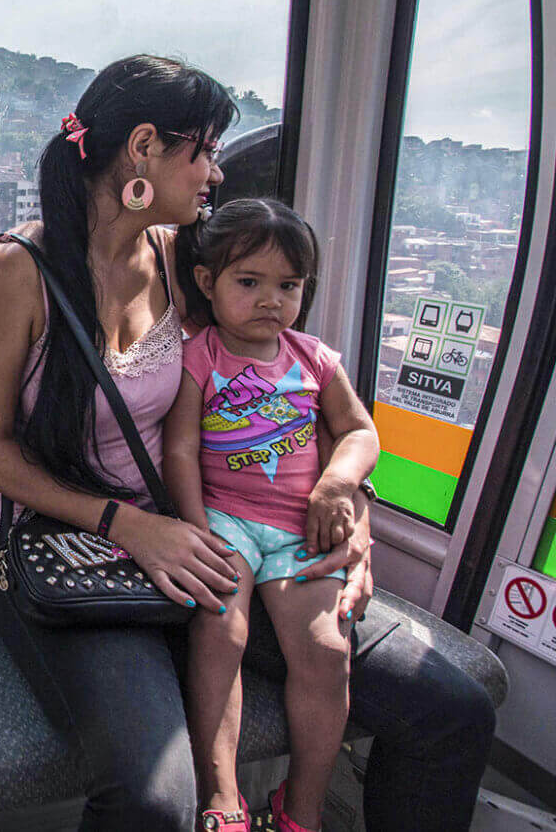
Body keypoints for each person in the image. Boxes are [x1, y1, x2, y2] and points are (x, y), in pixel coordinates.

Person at [0, 54, 496, 832]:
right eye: (202, 151)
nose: (213, 175)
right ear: (144, 147)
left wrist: (349, 502)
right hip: (74, 546)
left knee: (452, 709)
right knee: (152, 803)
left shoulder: (184, 259)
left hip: (219, 534)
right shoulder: (17, 269)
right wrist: (130, 524)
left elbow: (270, 394)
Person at [162, 199, 378, 832]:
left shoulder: (313, 359)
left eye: (288, 286)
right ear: (208, 283)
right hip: (225, 518)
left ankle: (301, 807)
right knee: (220, 629)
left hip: (302, 530)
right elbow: (181, 446)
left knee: (325, 651)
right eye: (249, 282)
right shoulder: (198, 356)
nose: (270, 301)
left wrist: (337, 483)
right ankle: (221, 795)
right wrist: (196, 525)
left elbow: (359, 432)